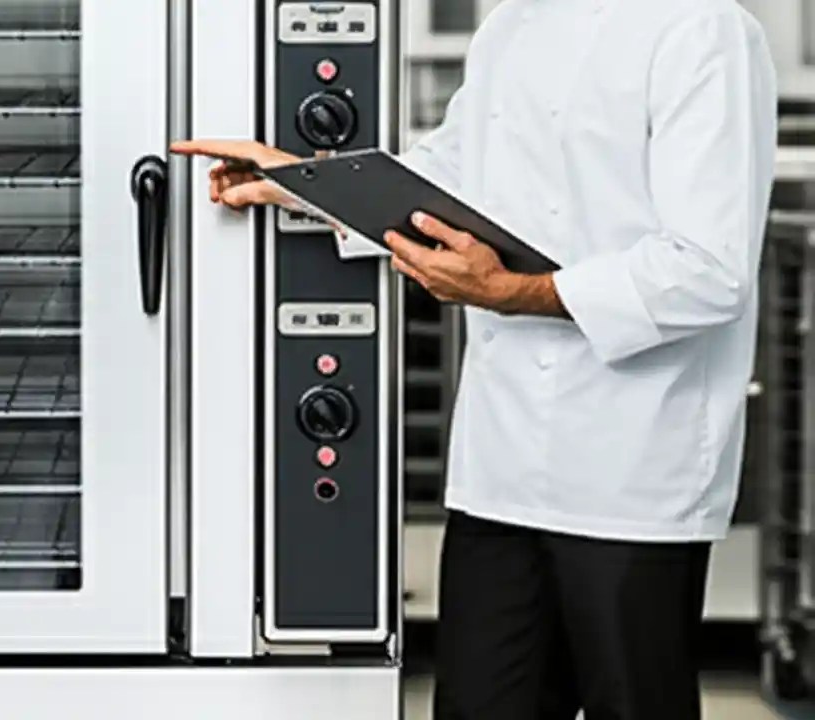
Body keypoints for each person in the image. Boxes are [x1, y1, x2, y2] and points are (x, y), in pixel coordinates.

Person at [172, 0, 777, 718]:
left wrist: (513, 292)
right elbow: (445, 184)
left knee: (634, 704)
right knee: (478, 705)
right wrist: (300, 181)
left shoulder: (702, 29)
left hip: (633, 464)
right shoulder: (512, 25)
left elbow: (708, 272)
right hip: (503, 463)